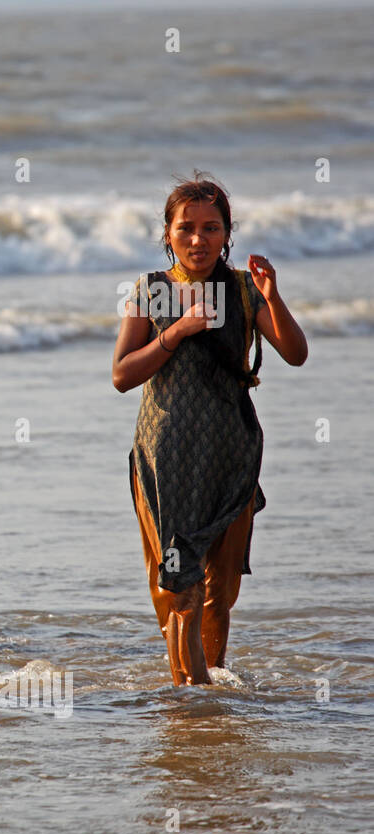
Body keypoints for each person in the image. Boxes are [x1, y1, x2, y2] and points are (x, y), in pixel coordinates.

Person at [112, 174, 307, 686]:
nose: (198, 239)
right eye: (187, 228)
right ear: (168, 233)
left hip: (230, 455)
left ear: (227, 234)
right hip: (164, 457)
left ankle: (208, 690)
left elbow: (296, 353)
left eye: (211, 228)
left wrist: (274, 295)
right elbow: (122, 375)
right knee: (175, 586)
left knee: (220, 589)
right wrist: (174, 332)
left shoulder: (243, 290)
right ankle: (187, 689)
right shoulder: (151, 291)